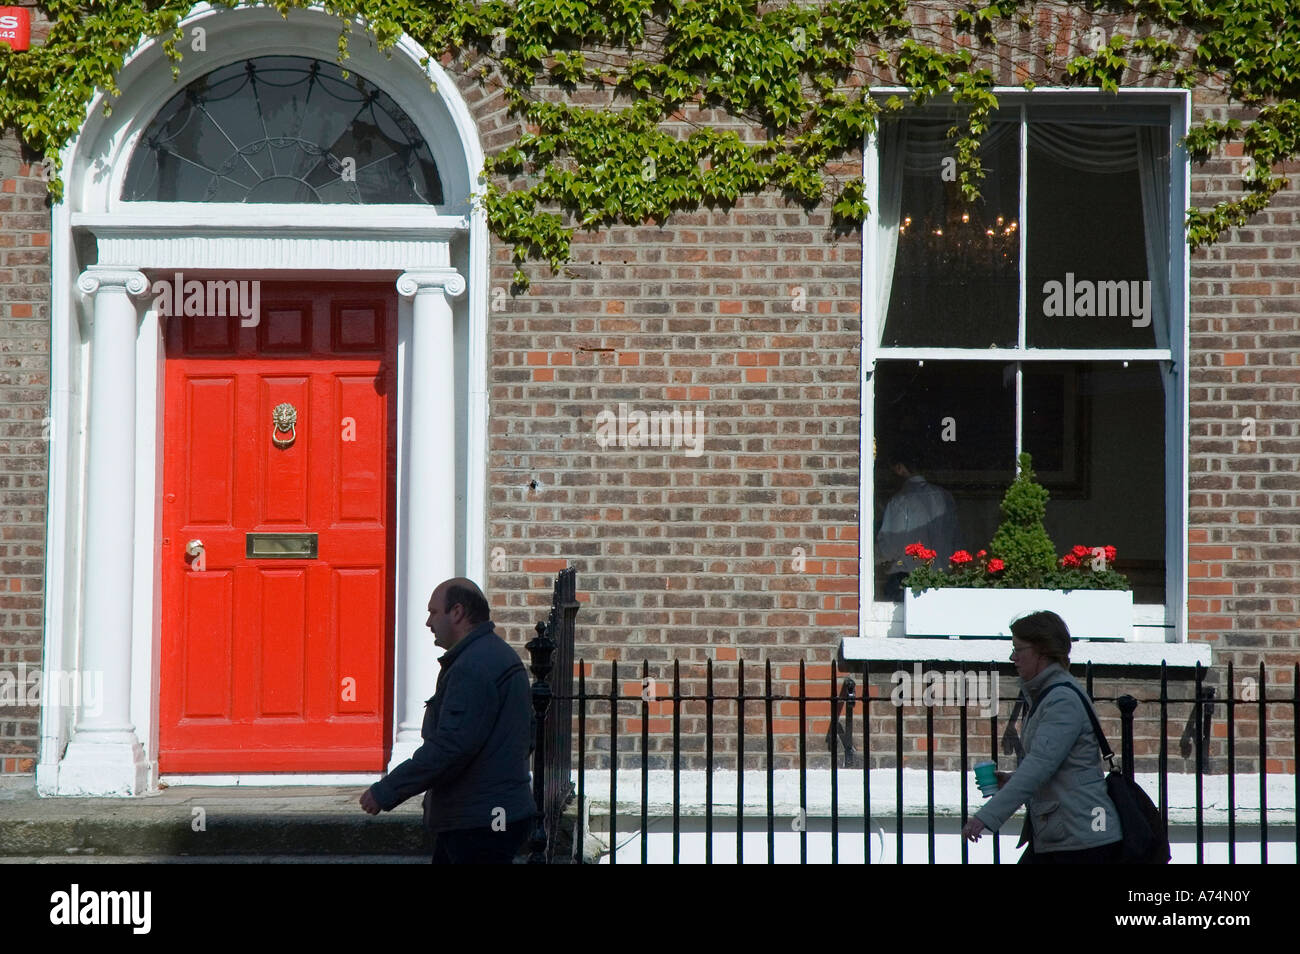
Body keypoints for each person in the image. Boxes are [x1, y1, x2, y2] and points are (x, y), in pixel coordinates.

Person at [359, 578, 535, 863]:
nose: (429, 622)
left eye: (433, 612)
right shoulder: (494, 655)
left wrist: (387, 790)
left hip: (480, 820)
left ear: (457, 612)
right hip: (492, 813)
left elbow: (451, 746)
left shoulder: (473, 666)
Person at [961, 611, 1123, 863]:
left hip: (1081, 835)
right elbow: (1055, 766)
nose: (1013, 657)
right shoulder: (1048, 695)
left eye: (1018, 649)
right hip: (1064, 832)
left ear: (1042, 650)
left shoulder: (1061, 700)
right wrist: (1012, 780)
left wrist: (986, 817)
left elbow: (1038, 766)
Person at [875, 450, 960, 599]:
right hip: (945, 579)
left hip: (907, 580)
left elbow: (889, 548)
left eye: (891, 470)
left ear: (900, 468)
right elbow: (956, 540)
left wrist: (872, 558)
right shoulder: (945, 497)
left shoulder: (900, 501)